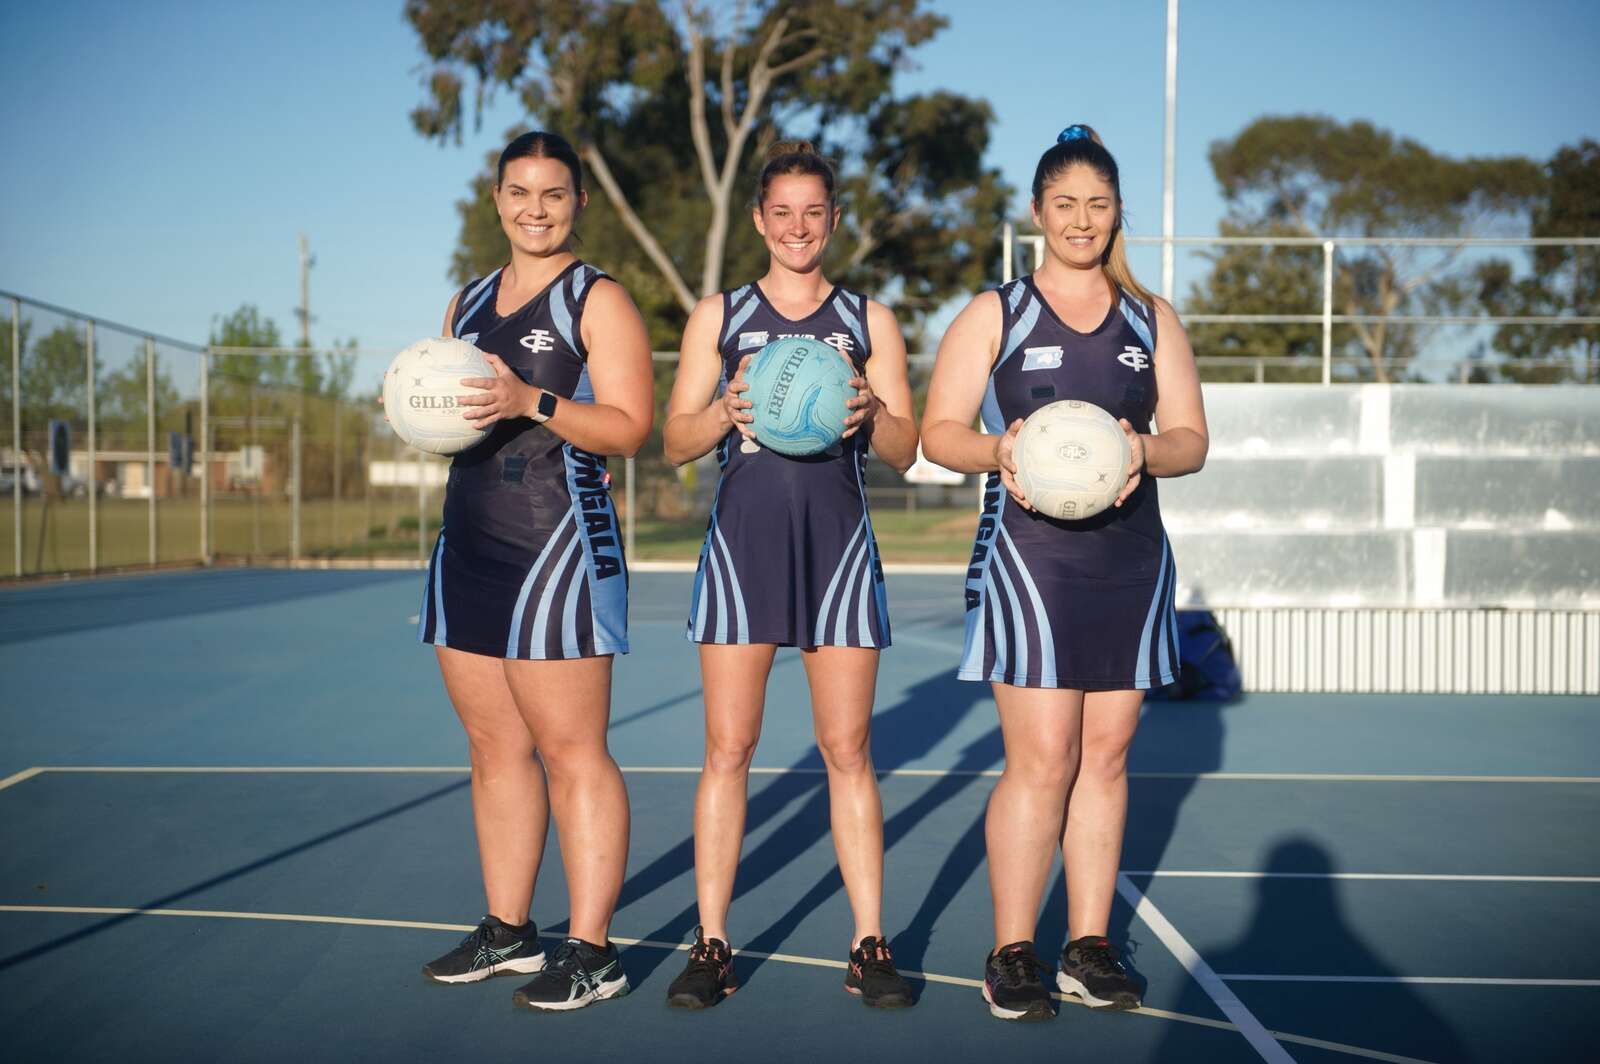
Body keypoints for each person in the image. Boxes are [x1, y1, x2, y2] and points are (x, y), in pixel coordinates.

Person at [921, 124, 1209, 1022]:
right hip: (1030, 560)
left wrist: (1143, 448)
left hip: (1130, 556)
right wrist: (999, 446)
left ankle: (1088, 946)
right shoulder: (996, 312)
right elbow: (938, 433)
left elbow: (1193, 441)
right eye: (1065, 204)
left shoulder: (1151, 317)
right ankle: (1013, 950)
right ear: (1038, 211)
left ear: (1117, 212)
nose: (1082, 219)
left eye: (1098, 204)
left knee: (1108, 757)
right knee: (1042, 758)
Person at [660, 140, 920, 1010]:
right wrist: (721, 412)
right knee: (728, 748)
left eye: (814, 211)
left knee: (848, 750)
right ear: (760, 219)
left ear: (833, 219)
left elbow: (908, 448)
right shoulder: (719, 316)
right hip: (742, 548)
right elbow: (672, 441)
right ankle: (712, 944)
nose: (798, 227)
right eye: (782, 212)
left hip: (839, 550)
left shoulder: (867, 320)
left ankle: (869, 944)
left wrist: (873, 409)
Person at [413, 131, 653, 1012]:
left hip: (558, 544)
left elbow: (630, 427)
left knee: (572, 752)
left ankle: (593, 951)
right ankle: (510, 930)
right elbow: (445, 407)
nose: (535, 208)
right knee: (493, 748)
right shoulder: (465, 302)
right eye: (520, 191)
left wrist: (533, 400)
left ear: (578, 202)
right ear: (498, 197)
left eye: (554, 193)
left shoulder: (599, 300)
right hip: (466, 542)